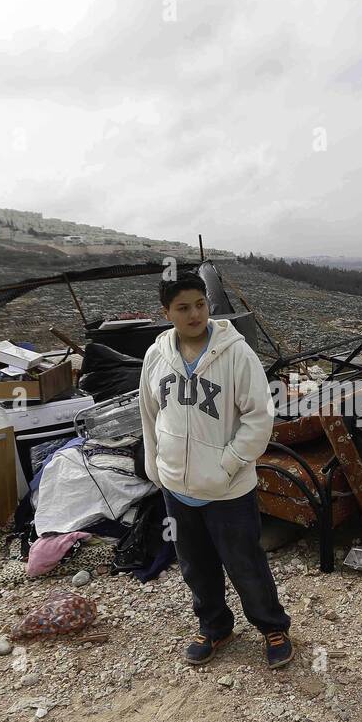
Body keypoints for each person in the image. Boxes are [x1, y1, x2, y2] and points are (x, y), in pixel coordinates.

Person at [139, 271, 294, 669]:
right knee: (195, 564)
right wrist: (155, 465)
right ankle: (214, 627)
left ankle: (271, 626)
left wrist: (228, 465)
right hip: (177, 486)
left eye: (200, 304)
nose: (194, 315)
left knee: (245, 562)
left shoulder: (236, 354)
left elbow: (259, 418)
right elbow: (148, 413)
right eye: (183, 308)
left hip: (228, 489)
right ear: (166, 312)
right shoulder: (156, 357)